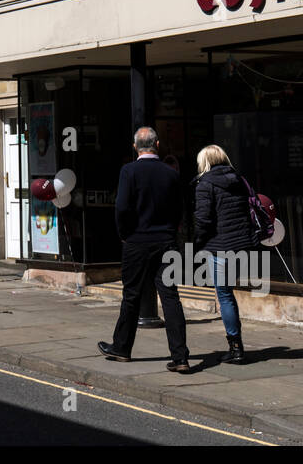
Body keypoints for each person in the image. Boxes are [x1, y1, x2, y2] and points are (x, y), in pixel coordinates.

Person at [98, 126, 191, 373]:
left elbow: (121, 208)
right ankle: (180, 356)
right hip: (165, 241)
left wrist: (124, 234)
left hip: (136, 242)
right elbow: (179, 209)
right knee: (170, 297)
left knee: (131, 295)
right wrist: (170, 232)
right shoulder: (170, 174)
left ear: (135, 147)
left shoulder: (129, 171)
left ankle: (122, 348)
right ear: (157, 145)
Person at [193, 144, 254, 365]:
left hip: (219, 248)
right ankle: (236, 342)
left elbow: (203, 221)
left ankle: (236, 348)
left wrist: (197, 243)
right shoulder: (239, 180)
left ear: (205, 162)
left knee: (225, 296)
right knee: (229, 293)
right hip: (241, 246)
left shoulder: (205, 184)